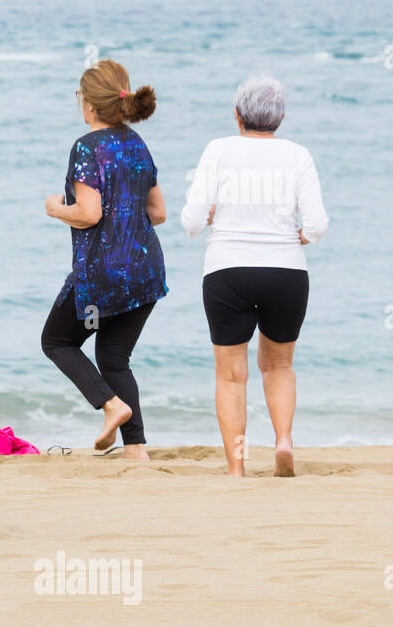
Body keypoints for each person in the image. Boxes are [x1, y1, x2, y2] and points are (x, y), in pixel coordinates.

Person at [181, 75, 329, 477]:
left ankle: (237, 466)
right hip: (286, 272)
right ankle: (283, 440)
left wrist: (209, 218)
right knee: (278, 365)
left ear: (237, 116)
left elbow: (192, 221)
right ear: (280, 117)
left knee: (231, 374)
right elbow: (316, 223)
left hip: (228, 270)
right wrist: (301, 236)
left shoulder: (218, 150)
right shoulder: (298, 155)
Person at [42, 59, 166, 461]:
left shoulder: (86, 147)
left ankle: (111, 406)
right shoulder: (137, 144)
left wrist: (57, 208)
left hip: (102, 274)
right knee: (114, 358)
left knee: (57, 341)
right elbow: (159, 212)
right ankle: (136, 451)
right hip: (145, 272)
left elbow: (90, 213)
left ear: (88, 104)